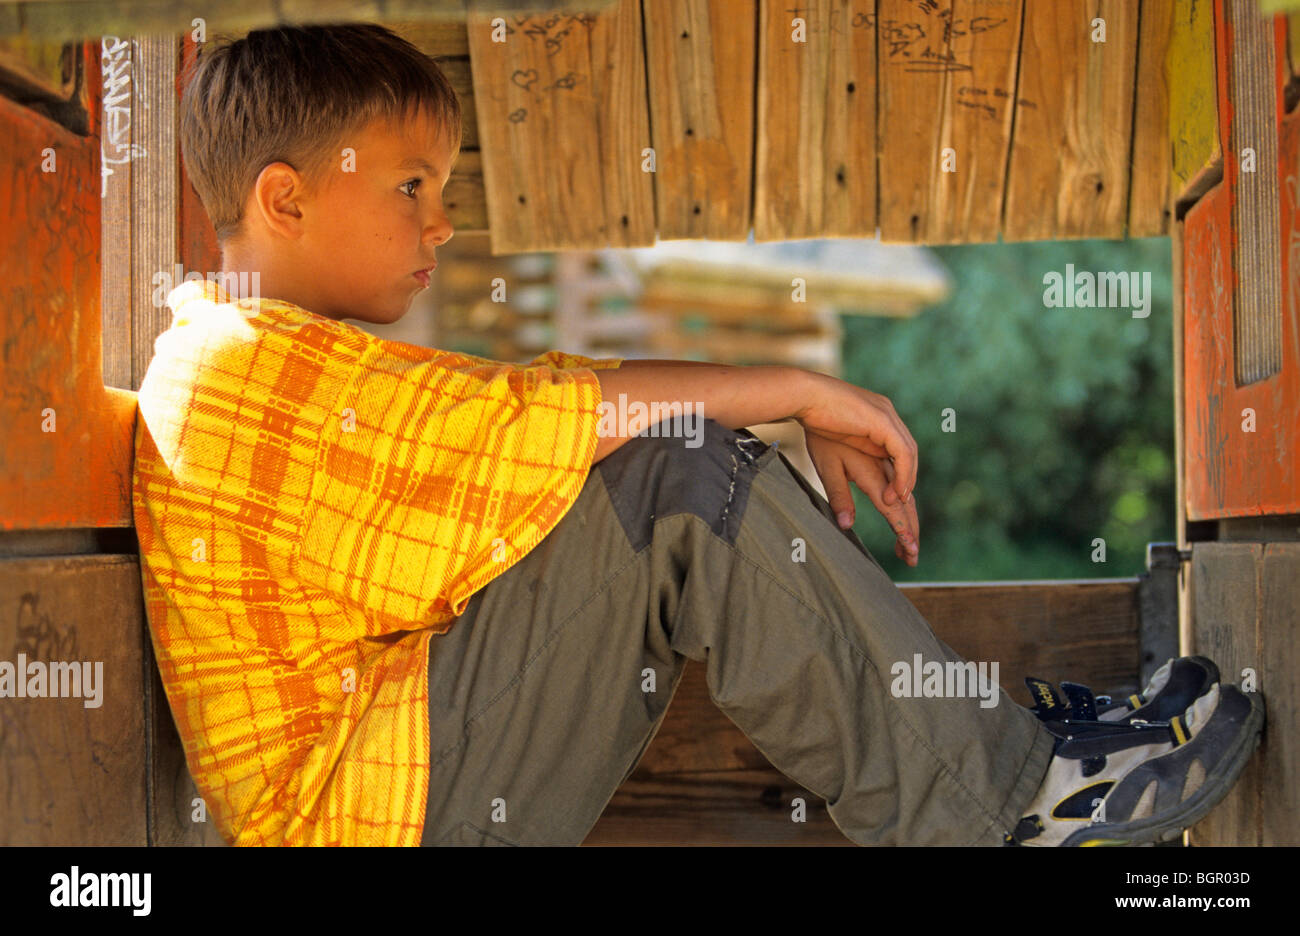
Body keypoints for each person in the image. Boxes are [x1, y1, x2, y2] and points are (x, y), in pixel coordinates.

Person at [133, 22, 1263, 847]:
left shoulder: (263, 350)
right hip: (370, 812)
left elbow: (537, 413)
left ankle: (996, 768)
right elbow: (548, 421)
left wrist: (782, 393)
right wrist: (797, 390)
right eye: (413, 186)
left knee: (662, 457)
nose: (442, 220)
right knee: (676, 475)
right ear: (285, 200)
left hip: (403, 781)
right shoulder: (241, 370)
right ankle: (1001, 808)